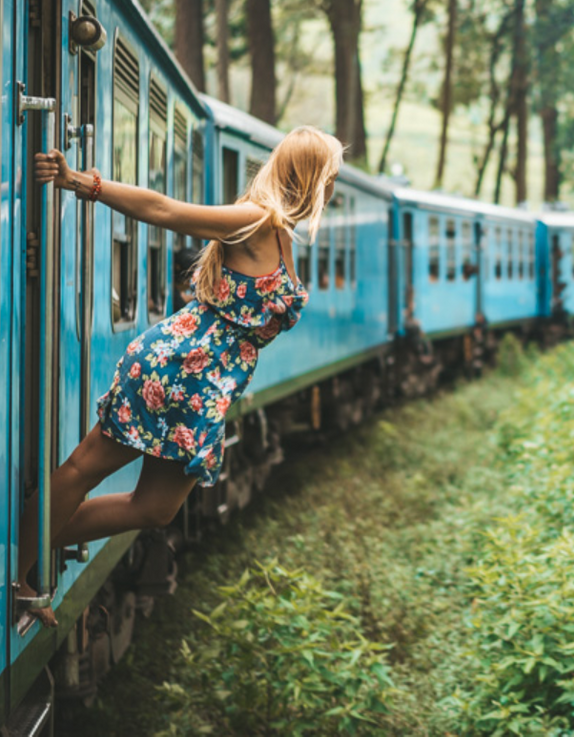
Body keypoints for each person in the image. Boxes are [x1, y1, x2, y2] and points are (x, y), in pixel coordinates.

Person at [17, 126, 341, 628]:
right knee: (85, 467)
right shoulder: (256, 219)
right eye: (331, 177)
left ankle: (28, 537)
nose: (334, 189)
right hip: (175, 368)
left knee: (155, 508)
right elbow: (166, 210)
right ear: (312, 177)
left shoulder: (279, 231)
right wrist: (81, 183)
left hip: (203, 388)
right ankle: (22, 571)